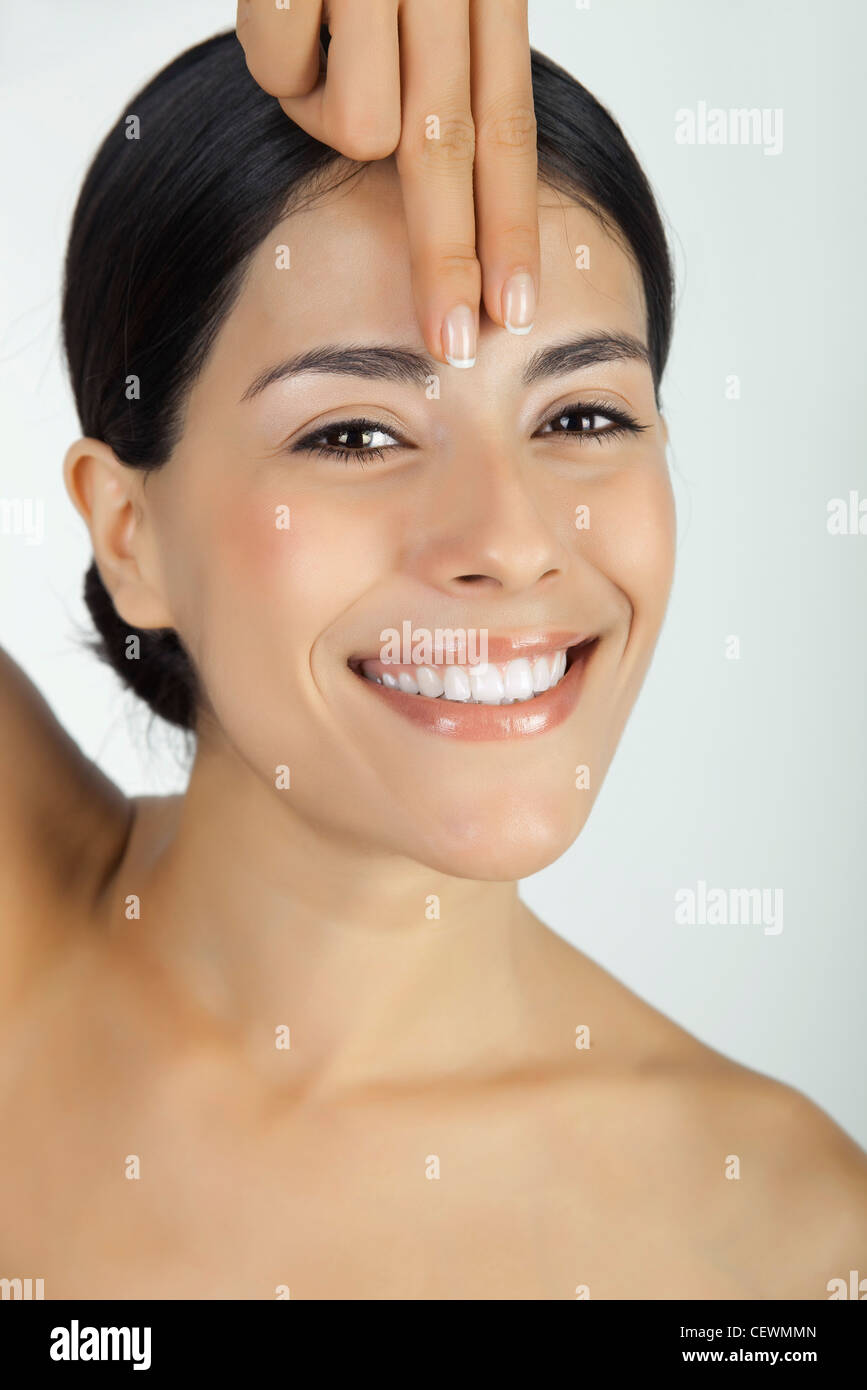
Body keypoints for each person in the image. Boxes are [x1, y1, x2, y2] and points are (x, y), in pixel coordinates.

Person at [0, 8, 864, 1300]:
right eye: (353, 433)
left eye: (581, 412)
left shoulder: (788, 1250)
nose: (508, 540)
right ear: (131, 534)